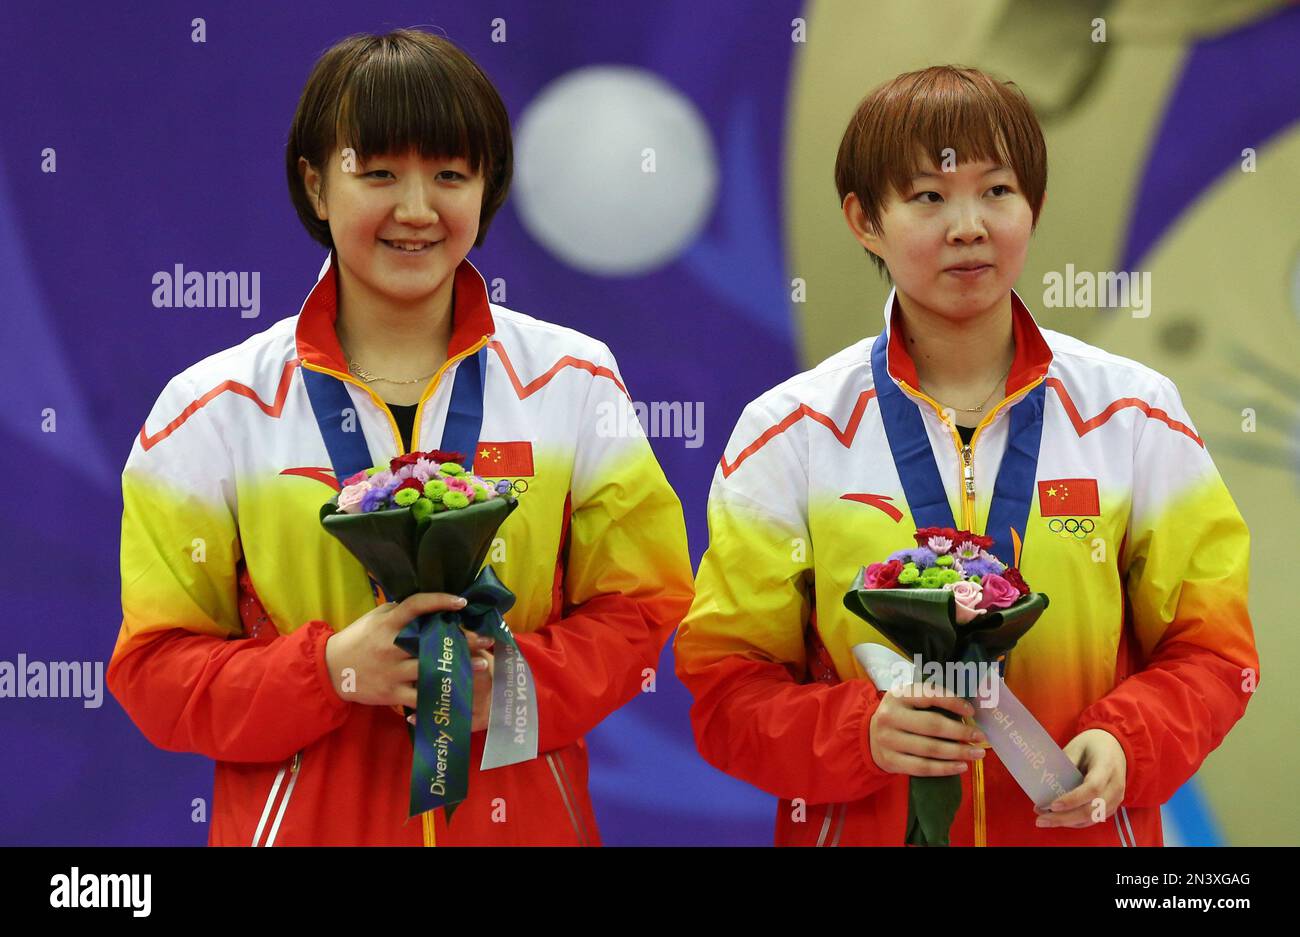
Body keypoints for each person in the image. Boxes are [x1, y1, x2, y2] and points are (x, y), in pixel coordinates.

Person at [108, 27, 694, 846]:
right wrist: (326, 670)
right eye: (377, 173)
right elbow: (154, 672)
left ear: (485, 188)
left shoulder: (573, 381)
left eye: (450, 175)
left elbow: (645, 605)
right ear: (316, 186)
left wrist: (515, 689)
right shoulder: (213, 407)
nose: (416, 209)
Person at [673, 65, 1259, 846]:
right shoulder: (791, 431)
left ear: (1034, 207)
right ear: (863, 219)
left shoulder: (1134, 414)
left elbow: (1213, 650)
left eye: (997, 191)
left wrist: (1129, 737)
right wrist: (860, 732)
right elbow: (726, 687)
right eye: (927, 196)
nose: (968, 225)